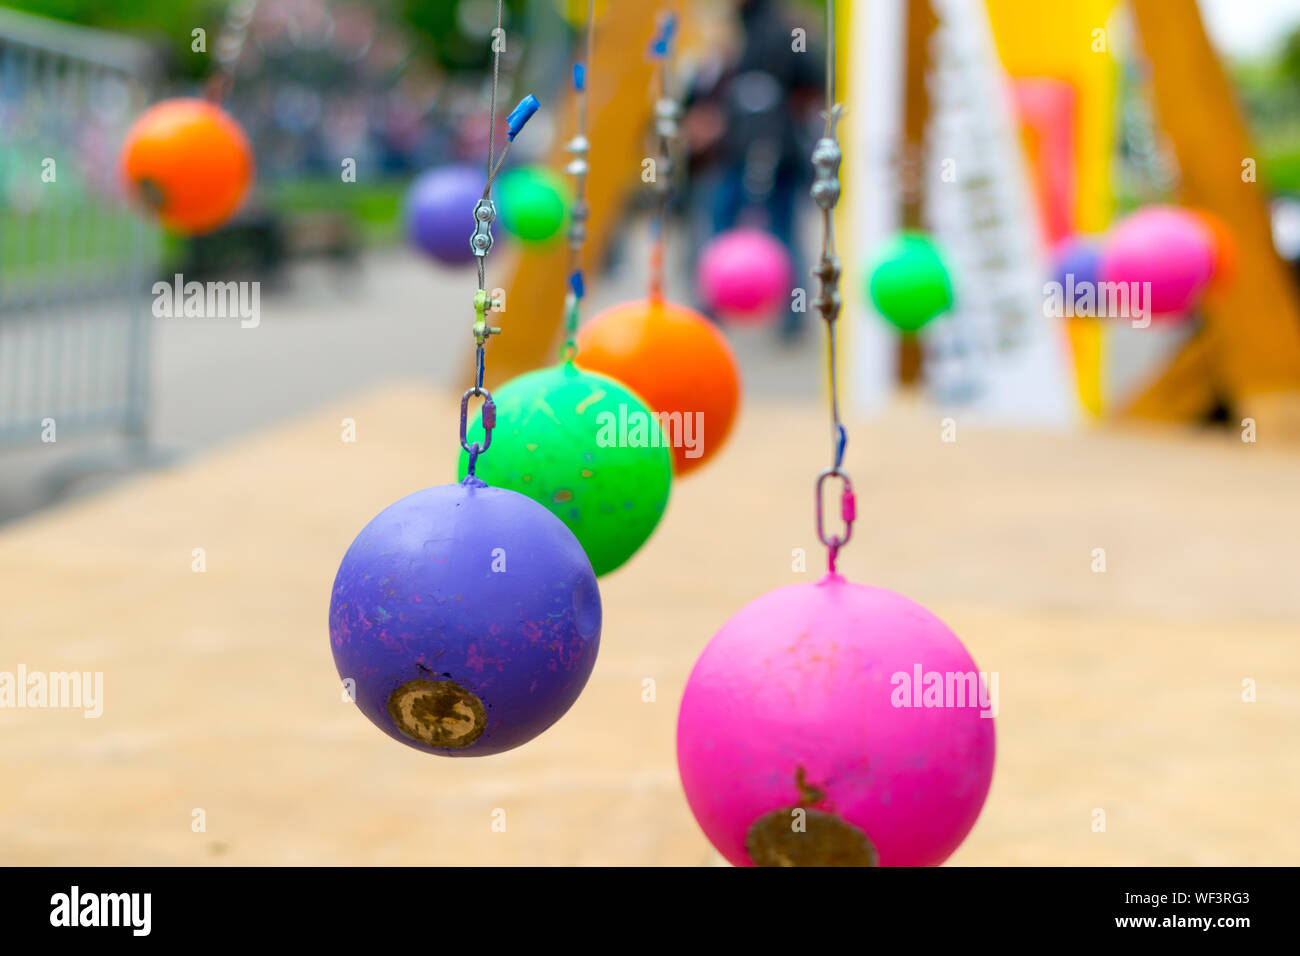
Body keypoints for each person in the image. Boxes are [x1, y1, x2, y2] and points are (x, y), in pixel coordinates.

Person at [682, 0, 825, 341]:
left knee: (769, 228)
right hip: (739, 147)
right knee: (747, 225)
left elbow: (810, 82)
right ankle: (721, 303)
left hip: (764, 147)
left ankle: (784, 311)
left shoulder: (779, 30)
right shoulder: (738, 31)